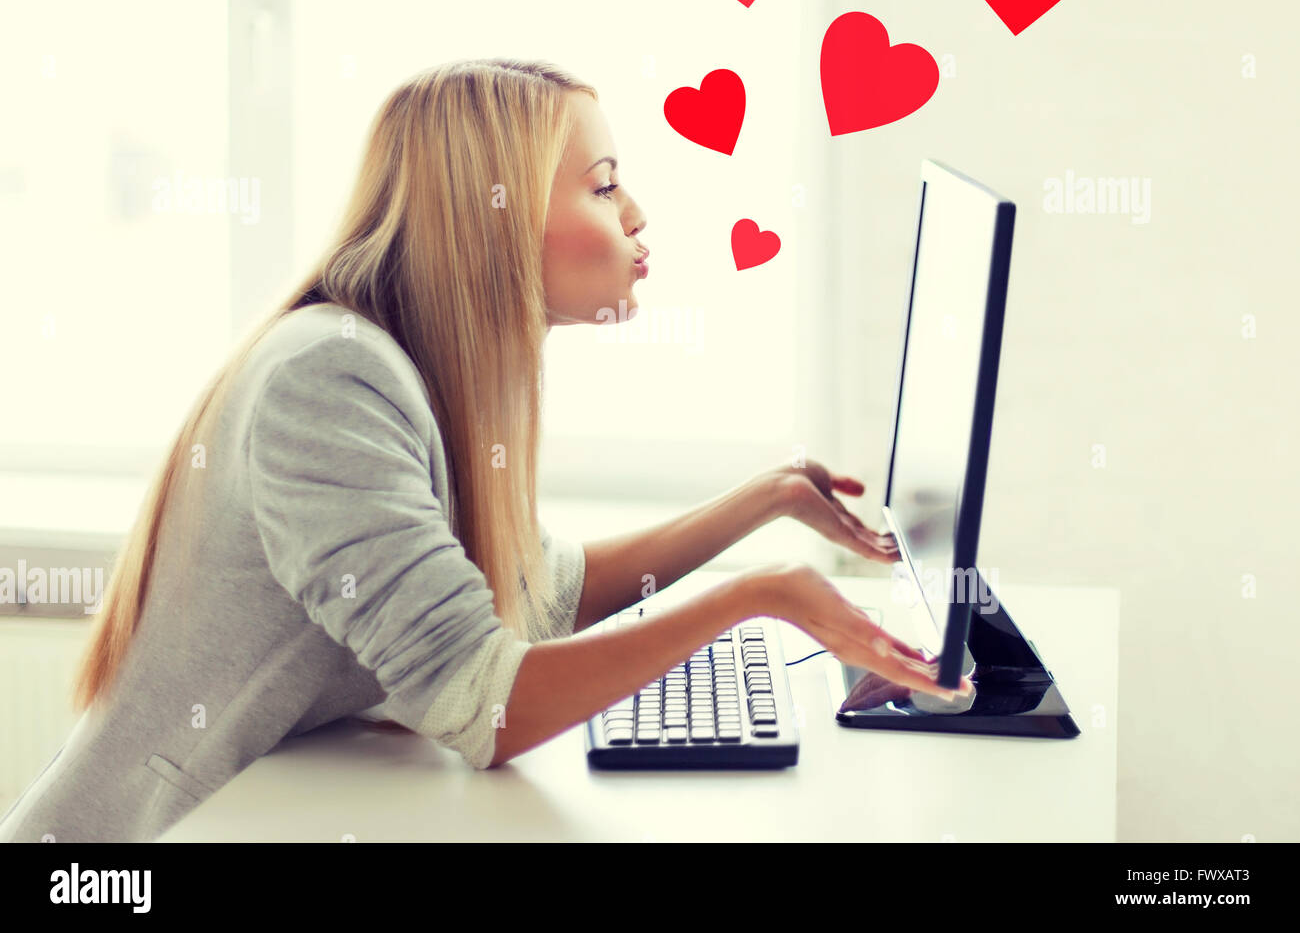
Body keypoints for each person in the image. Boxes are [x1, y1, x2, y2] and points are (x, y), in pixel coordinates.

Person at [0, 58, 968, 843]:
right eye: (603, 184)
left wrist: (758, 504)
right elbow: (487, 708)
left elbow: (536, 588)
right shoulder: (328, 379)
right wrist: (758, 596)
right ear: (491, 215)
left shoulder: (413, 369)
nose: (637, 213)